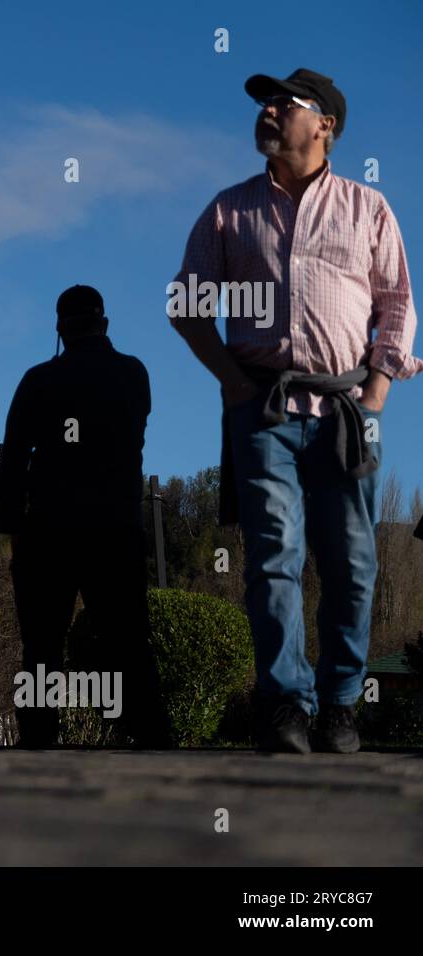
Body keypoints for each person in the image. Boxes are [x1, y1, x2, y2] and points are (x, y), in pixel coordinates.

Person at [170, 68, 419, 753]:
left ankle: (341, 705)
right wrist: (231, 382)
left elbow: (398, 304)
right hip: (264, 410)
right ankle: (284, 705)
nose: (269, 111)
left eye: (286, 104)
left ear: (325, 125)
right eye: (264, 103)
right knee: (275, 554)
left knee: (353, 560)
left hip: (347, 408)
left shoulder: (369, 208)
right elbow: (187, 305)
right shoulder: (229, 210)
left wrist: (375, 394)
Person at [0, 285, 172, 748]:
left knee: (41, 649)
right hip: (115, 531)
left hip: (48, 532)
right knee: (129, 643)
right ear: (105, 324)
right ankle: (152, 738)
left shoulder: (38, 380)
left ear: (59, 329)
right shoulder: (133, 374)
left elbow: (13, 458)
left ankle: (37, 743)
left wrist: (14, 528)